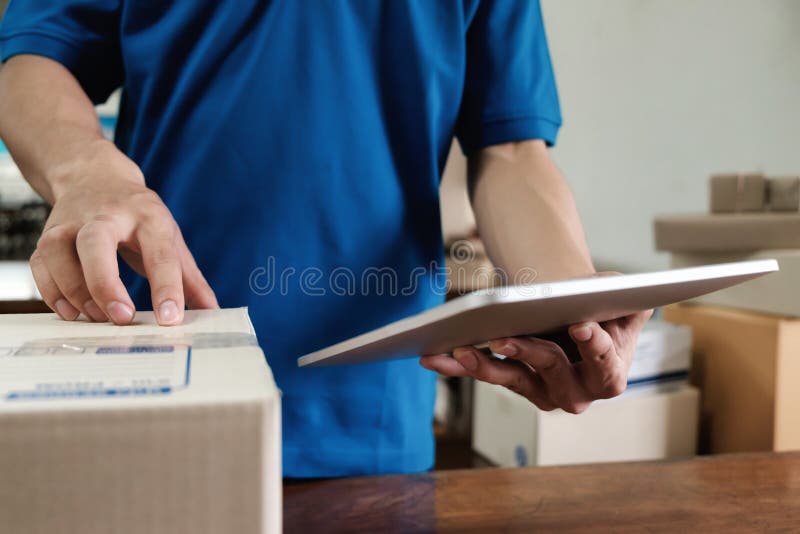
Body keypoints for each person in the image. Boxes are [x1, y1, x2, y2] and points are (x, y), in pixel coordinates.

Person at [0, 1, 650, 477]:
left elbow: (510, 149)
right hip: (161, 391)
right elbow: (31, 57)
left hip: (371, 423)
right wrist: (84, 170)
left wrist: (566, 306)